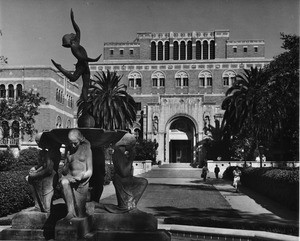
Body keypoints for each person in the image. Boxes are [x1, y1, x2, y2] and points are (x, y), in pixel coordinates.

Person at [51, 9, 101, 107]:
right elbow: (82, 58)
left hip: (85, 65)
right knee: (73, 78)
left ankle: (86, 102)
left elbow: (78, 30)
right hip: (82, 65)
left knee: (86, 85)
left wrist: (72, 20)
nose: (72, 33)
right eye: (70, 34)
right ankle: (60, 67)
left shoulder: (77, 41)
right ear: (70, 39)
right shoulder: (74, 47)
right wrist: (94, 60)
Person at [107, 133, 148, 212]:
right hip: (122, 180)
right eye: (132, 145)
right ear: (127, 144)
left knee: (143, 182)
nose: (133, 147)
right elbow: (124, 173)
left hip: (123, 180)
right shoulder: (118, 153)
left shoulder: (120, 153)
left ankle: (131, 205)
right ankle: (130, 205)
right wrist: (131, 158)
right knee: (143, 182)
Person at [60, 129, 93, 219]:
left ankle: (81, 211)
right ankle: (70, 212)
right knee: (64, 182)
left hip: (82, 182)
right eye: (71, 143)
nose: (73, 146)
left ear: (80, 140)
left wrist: (81, 176)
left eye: (75, 143)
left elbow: (90, 171)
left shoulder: (86, 150)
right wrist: (66, 166)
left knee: (81, 214)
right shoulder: (69, 151)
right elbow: (64, 171)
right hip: (70, 179)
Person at [26, 133, 61, 213]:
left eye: (39, 142)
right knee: (30, 179)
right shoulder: (50, 151)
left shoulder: (53, 152)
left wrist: (35, 174)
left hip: (50, 178)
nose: (38, 144)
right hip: (48, 177)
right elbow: (44, 165)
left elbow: (48, 170)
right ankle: (38, 205)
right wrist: (35, 171)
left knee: (47, 209)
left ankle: (47, 216)